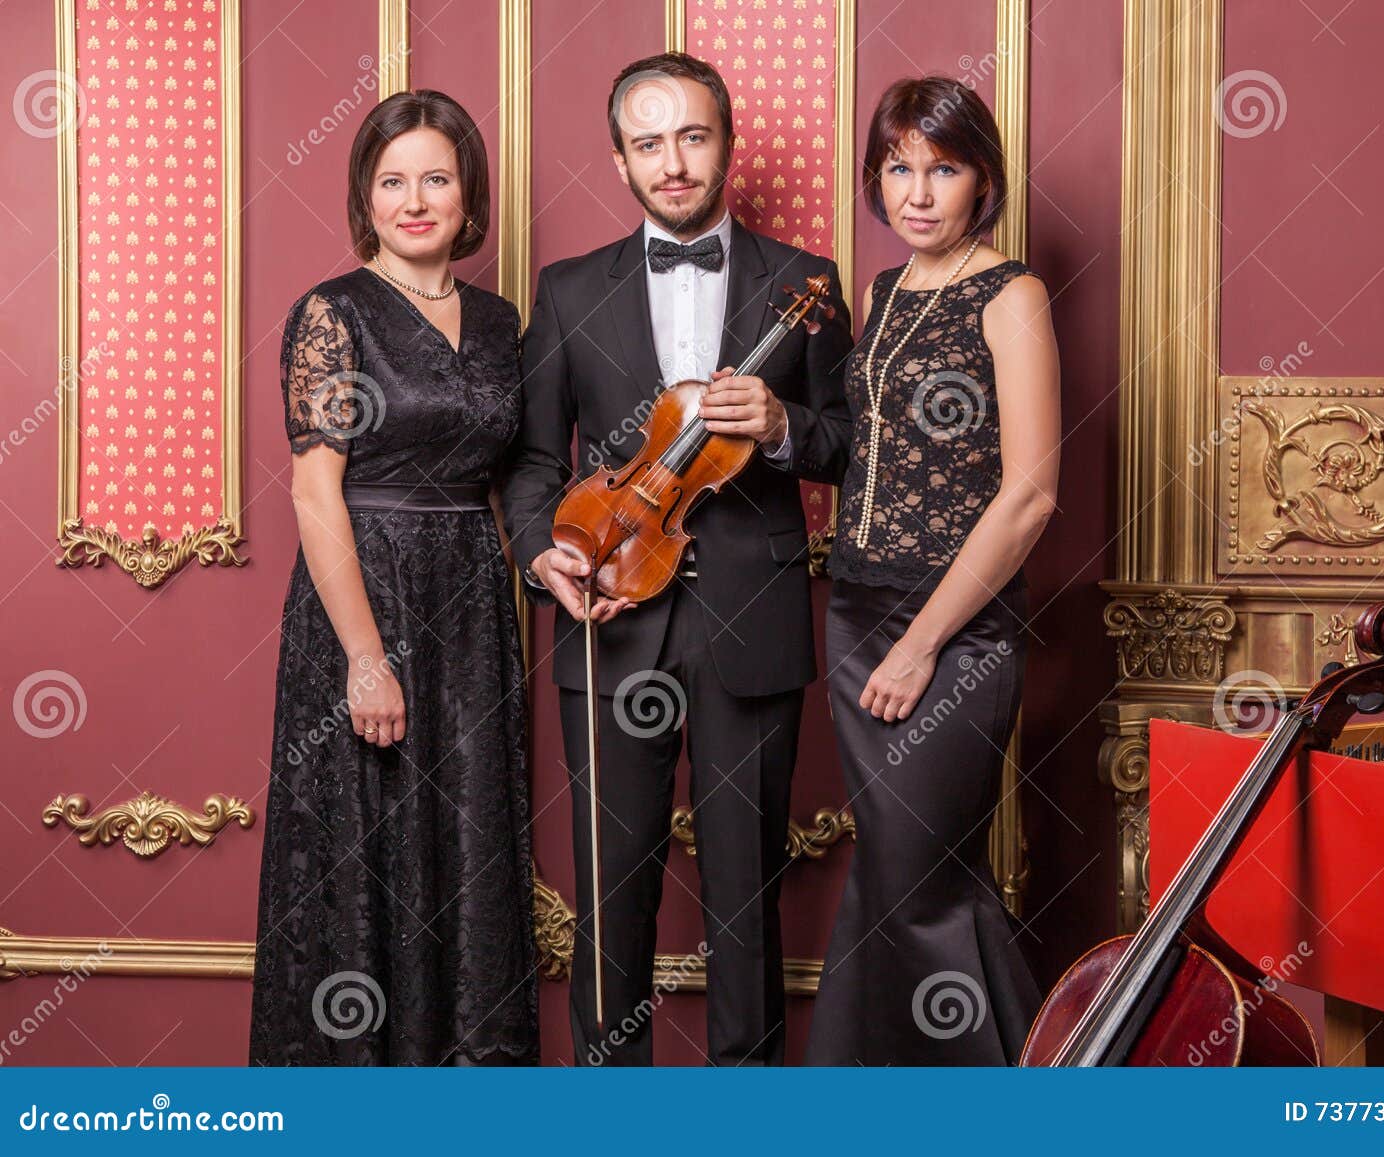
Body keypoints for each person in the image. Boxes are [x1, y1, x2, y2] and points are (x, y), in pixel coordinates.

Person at [499, 52, 852, 1065]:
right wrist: (544, 555)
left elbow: (850, 443)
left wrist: (782, 426)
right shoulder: (567, 290)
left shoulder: (807, 282)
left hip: (753, 614)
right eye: (648, 144)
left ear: (727, 144)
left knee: (747, 894)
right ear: (620, 160)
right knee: (612, 892)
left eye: (693, 137)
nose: (674, 163)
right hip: (610, 611)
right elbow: (534, 462)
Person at [250, 90, 538, 1065]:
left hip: (472, 607)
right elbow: (314, 494)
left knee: (469, 846)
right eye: (392, 181)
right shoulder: (331, 314)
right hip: (363, 600)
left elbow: (511, 481)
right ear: (365, 198)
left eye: (436, 179)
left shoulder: (499, 322)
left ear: (469, 197)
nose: (414, 201)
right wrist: (366, 658)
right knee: (363, 849)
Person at [804, 76, 1061, 1065]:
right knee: (894, 878)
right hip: (855, 609)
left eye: (942, 169)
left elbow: (1030, 496)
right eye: (897, 167)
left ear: (982, 180)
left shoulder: (1012, 293)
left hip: (954, 627)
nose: (916, 192)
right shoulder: (882, 292)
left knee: (922, 889)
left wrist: (920, 644)